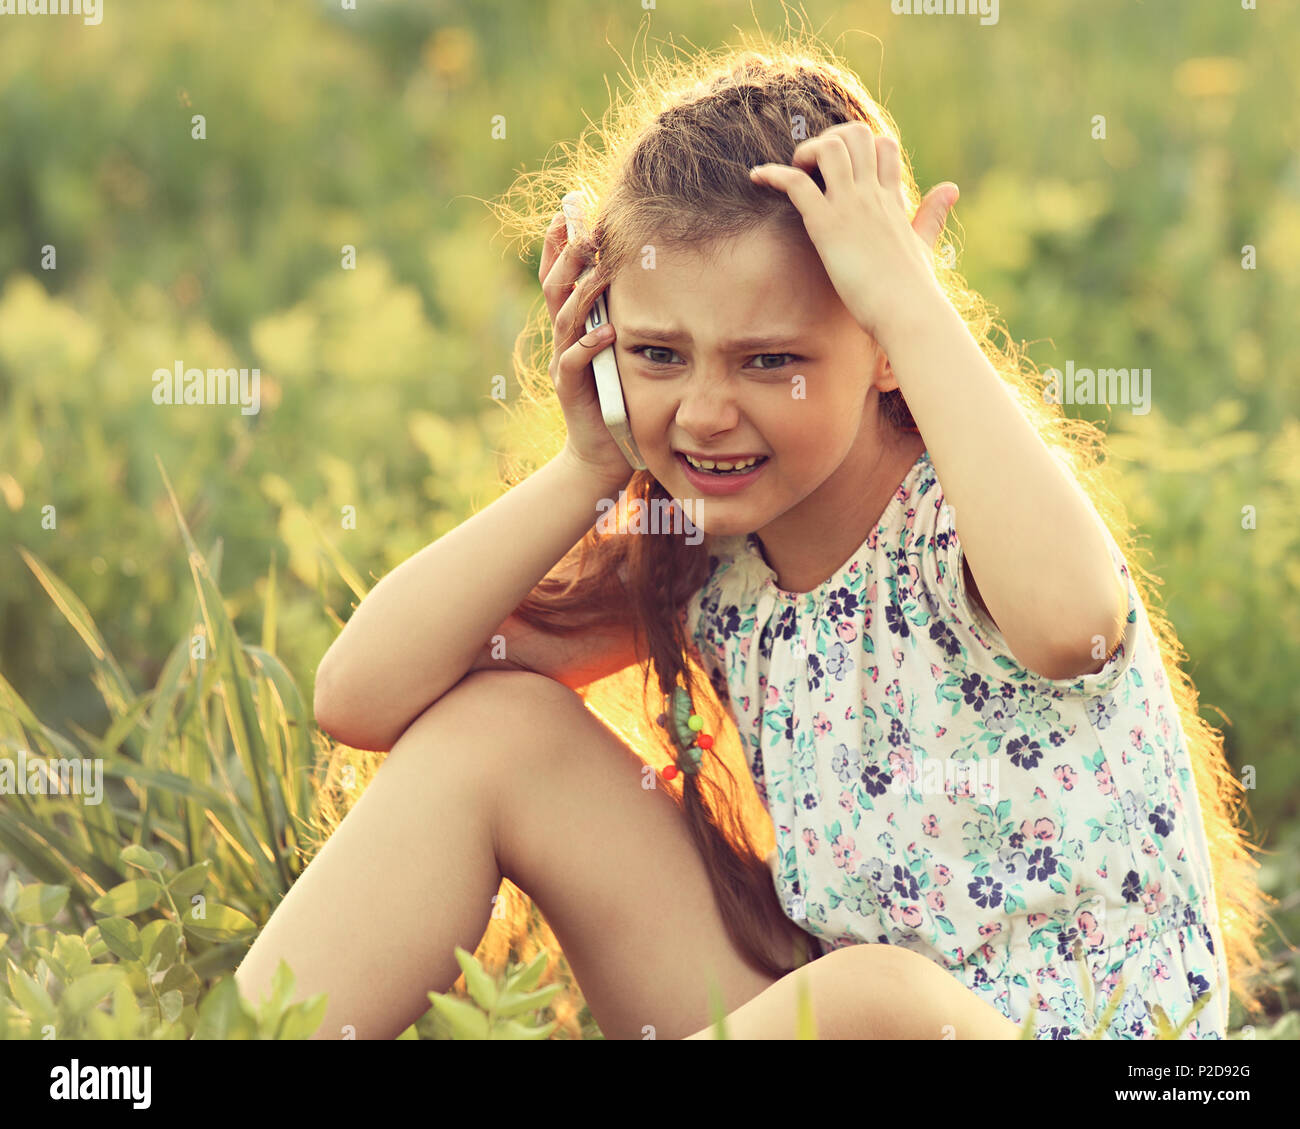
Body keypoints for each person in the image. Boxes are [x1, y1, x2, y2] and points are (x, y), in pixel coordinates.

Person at [234, 30, 1270, 1041]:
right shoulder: (706, 549)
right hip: (819, 1012)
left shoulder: (968, 511)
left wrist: (913, 304)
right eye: (656, 354)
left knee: (880, 998)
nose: (702, 414)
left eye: (769, 361)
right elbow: (359, 696)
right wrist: (587, 466)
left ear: (883, 345)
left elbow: (1073, 625)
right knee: (496, 729)